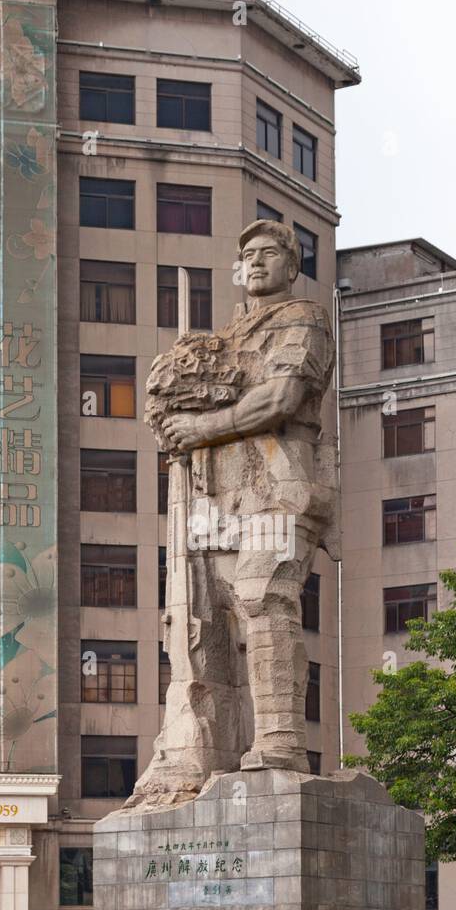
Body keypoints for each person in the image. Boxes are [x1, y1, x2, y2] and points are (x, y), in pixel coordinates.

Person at [127, 220, 338, 809]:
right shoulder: (225, 336)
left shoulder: (304, 319)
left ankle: (280, 743)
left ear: (292, 267)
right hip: (217, 493)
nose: (256, 261)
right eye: (246, 254)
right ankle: (200, 753)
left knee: (263, 592)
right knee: (207, 617)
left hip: (280, 481)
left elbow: (282, 398)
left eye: (269, 252)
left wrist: (203, 425)